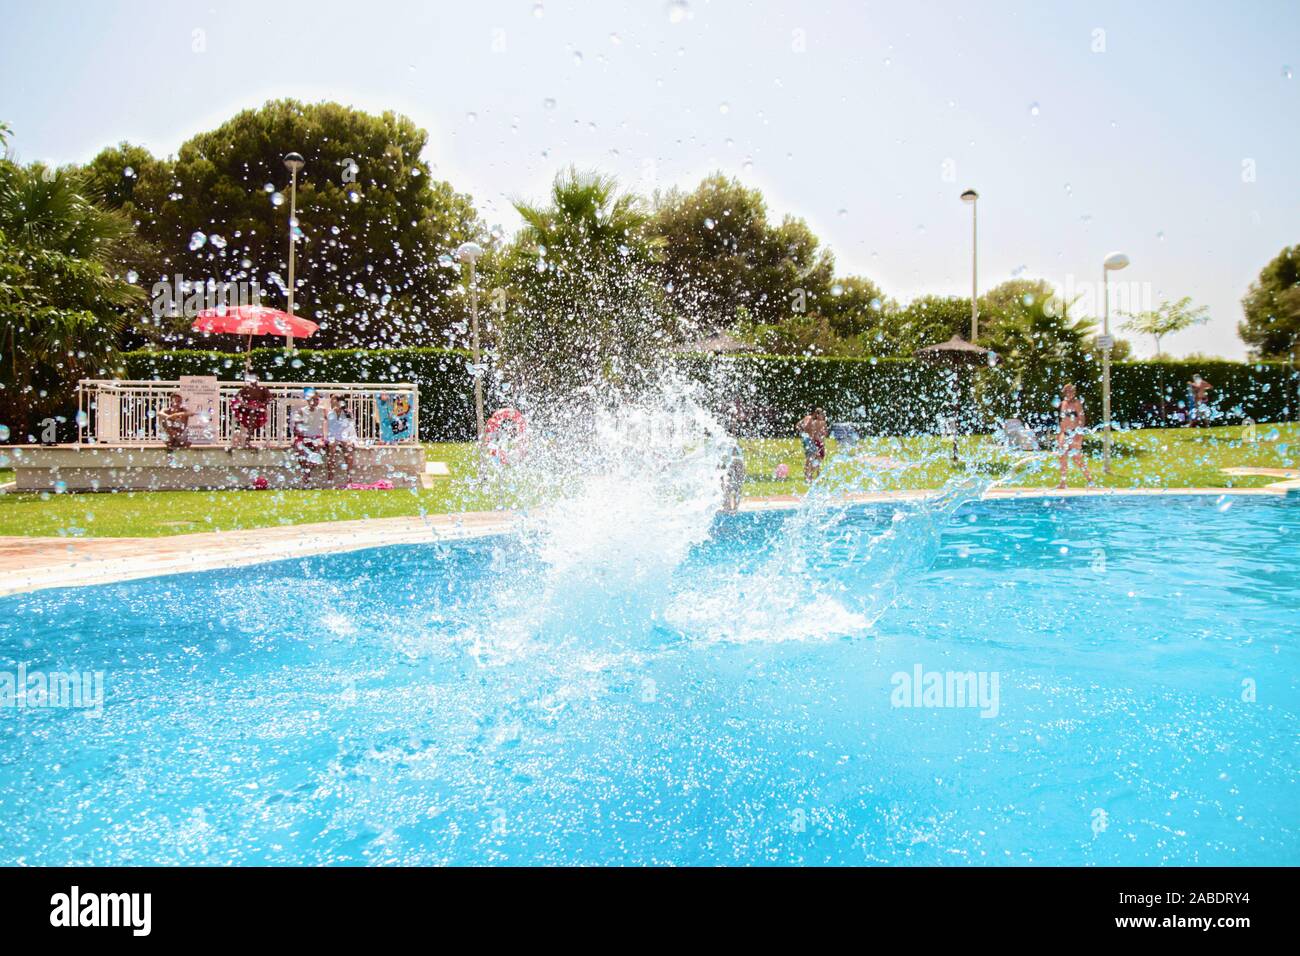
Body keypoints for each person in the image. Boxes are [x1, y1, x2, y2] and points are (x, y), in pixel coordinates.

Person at [1056, 383, 1093, 489]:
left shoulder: (1076, 403)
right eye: (1067, 391)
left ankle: (1089, 479)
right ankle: (1063, 482)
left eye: (1071, 391)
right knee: (1062, 457)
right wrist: (1060, 433)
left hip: (1074, 432)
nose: (1069, 394)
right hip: (1065, 433)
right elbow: (1063, 420)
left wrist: (1079, 433)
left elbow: (1082, 419)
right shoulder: (1063, 403)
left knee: (1076, 458)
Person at [291, 389, 328, 484]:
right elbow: (297, 428)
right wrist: (302, 435)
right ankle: (306, 471)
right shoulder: (301, 411)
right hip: (304, 436)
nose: (314, 402)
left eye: (316, 399)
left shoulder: (322, 410)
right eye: (312, 399)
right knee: (299, 448)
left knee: (319, 447)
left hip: (317, 437)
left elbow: (327, 425)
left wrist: (325, 437)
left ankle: (307, 472)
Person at [229, 373, 271, 450]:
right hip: (245, 411)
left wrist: (260, 405)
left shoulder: (263, 389)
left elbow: (270, 399)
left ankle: (247, 440)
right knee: (251, 412)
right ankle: (247, 440)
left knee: (253, 413)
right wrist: (244, 404)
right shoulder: (246, 389)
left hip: (258, 412)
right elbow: (237, 397)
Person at [326, 394, 359, 484]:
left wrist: (347, 440)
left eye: (332, 399)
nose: (330, 401)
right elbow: (328, 428)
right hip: (333, 437)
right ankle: (330, 476)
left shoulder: (348, 412)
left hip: (346, 437)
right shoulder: (329, 413)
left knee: (348, 447)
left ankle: (349, 477)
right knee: (332, 446)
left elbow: (350, 428)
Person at [797, 407, 829, 481]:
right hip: (810, 440)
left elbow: (798, 425)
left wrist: (802, 432)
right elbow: (805, 427)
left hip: (810, 440)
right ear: (815, 413)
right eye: (820, 413)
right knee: (813, 457)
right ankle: (809, 475)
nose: (822, 415)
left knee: (813, 457)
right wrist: (806, 432)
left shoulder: (812, 420)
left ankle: (811, 474)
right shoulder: (810, 418)